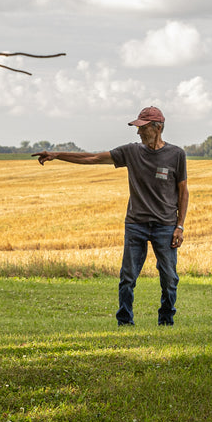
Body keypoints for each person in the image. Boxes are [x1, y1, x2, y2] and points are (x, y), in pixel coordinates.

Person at [37, 106, 189, 326]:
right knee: (127, 278)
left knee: (169, 279)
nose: (138, 133)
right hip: (135, 224)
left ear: (158, 128)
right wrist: (57, 155)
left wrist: (180, 226)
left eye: (142, 128)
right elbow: (94, 158)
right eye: (137, 128)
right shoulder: (131, 152)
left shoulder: (176, 155)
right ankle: (124, 322)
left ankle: (166, 321)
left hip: (165, 226)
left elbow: (183, 192)